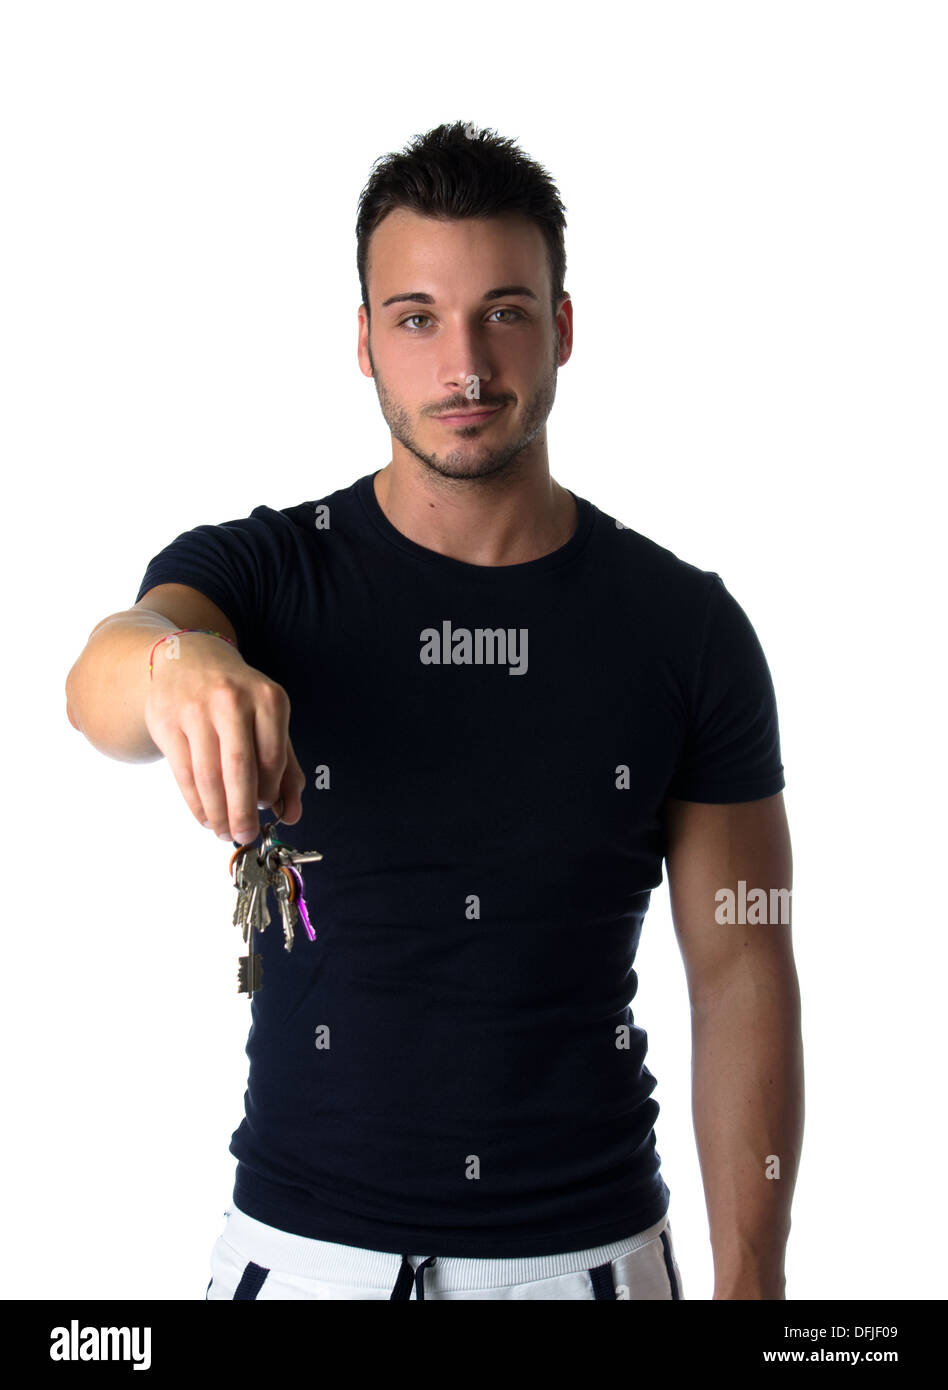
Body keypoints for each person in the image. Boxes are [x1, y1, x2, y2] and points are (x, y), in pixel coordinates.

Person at [65, 121, 802, 1301]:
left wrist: (752, 1285)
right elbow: (100, 683)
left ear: (562, 327)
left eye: (503, 311)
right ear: (363, 341)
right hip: (299, 1258)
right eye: (416, 317)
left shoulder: (683, 625)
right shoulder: (263, 574)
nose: (463, 364)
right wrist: (173, 669)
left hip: (585, 1261)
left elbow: (740, 966)